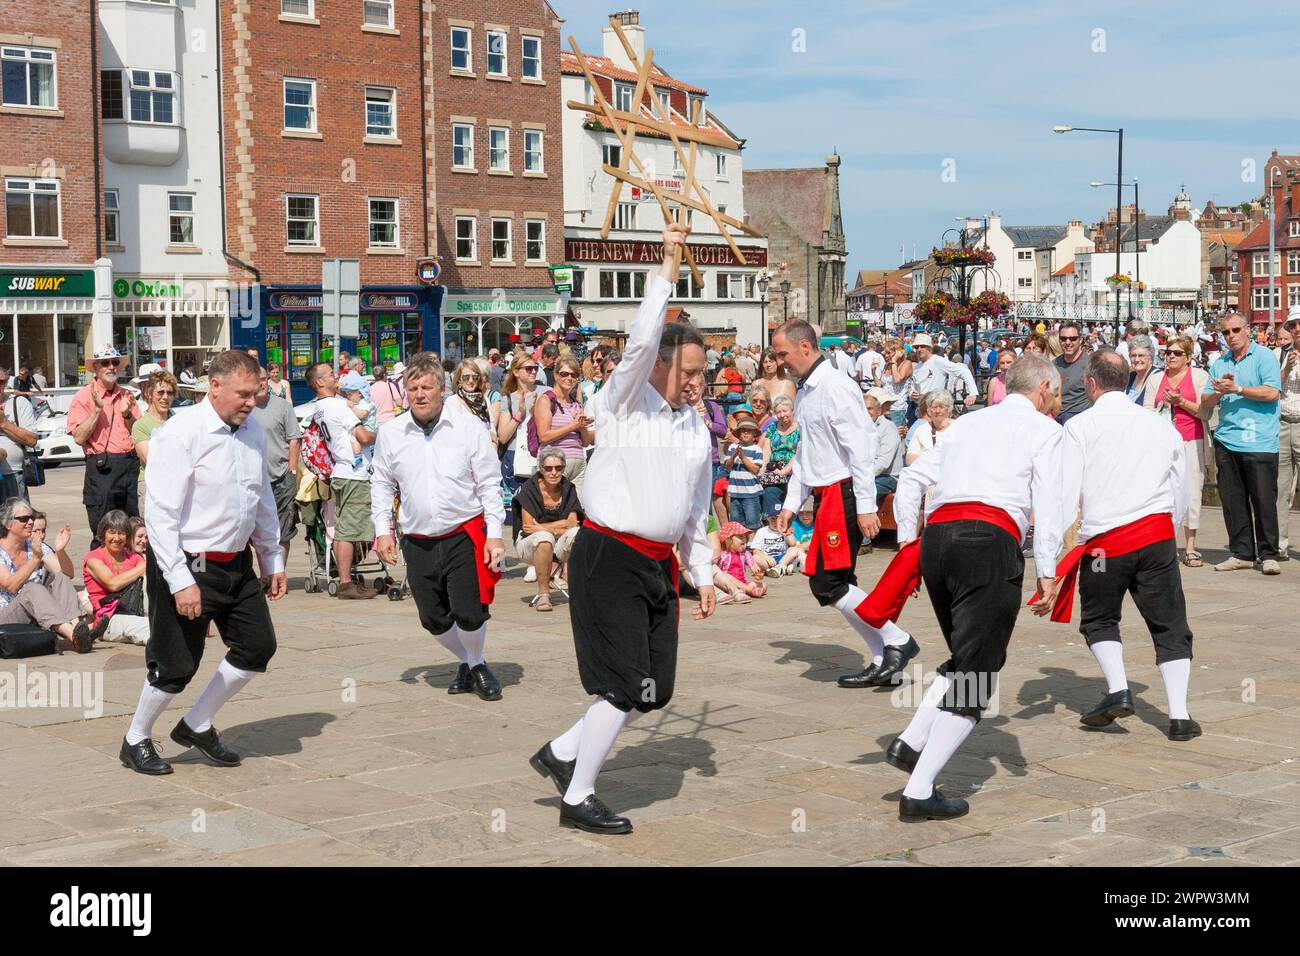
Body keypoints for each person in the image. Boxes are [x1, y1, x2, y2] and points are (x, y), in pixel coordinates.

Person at [529, 224, 715, 837]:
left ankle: (561, 753)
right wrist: (665, 266)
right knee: (623, 683)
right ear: (660, 365)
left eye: (702, 372)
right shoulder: (625, 401)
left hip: (658, 563)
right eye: (688, 370)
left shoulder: (696, 429)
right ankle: (578, 795)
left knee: (654, 689)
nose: (696, 382)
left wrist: (705, 571)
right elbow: (637, 343)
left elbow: (695, 511)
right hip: (608, 556)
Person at [881, 353, 1064, 821]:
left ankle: (911, 740)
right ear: (1042, 388)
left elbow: (911, 478)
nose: (1059, 402)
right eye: (1058, 392)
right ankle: (919, 790)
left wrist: (907, 543)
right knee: (978, 672)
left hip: (939, 540)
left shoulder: (965, 424)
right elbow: (1048, 500)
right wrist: (1048, 570)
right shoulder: (1046, 432)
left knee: (967, 656)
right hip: (988, 540)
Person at [121, 351, 286, 775]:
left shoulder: (252, 432)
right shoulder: (179, 434)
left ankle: (196, 723)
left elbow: (261, 499)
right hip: (188, 562)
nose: (251, 402)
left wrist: (272, 558)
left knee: (257, 646)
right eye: (243, 394)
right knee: (177, 663)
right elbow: (160, 514)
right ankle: (136, 737)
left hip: (236, 562)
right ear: (214, 386)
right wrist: (180, 580)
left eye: (256, 393)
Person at [1052, 349, 1198, 742]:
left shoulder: (1079, 427)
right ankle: (1180, 716)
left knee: (1100, 617)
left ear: (1092, 383)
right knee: (1170, 623)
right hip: (1155, 540)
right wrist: (1171, 525)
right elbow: (1179, 484)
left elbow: (1067, 493)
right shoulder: (1159, 425)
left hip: (1104, 547)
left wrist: (1058, 549)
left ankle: (1118, 687)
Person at [772, 319, 916, 688]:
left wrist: (867, 505)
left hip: (845, 493)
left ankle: (896, 640)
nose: (779, 361)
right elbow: (808, 454)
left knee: (828, 583)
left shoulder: (836, 387)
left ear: (805, 347)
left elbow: (861, 448)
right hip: (827, 494)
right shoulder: (805, 393)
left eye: (782, 353)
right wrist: (791, 503)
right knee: (838, 581)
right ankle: (885, 655)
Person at [371, 352, 507, 701]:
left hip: (463, 530)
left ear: (441, 389)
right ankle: (472, 661)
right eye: (413, 388)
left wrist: (495, 535)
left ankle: (476, 665)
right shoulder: (391, 433)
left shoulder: (469, 428)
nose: (419, 394)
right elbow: (382, 484)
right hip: (417, 538)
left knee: (470, 610)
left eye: (426, 387)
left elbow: (489, 483)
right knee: (432, 617)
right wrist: (382, 530)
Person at [1199, 312, 1283, 574]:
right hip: (1227, 438)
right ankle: (1242, 552)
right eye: (1225, 332)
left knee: (1263, 500)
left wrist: (1238, 389)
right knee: (1233, 501)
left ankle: (1269, 553)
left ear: (1248, 330)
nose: (1231, 336)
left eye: (1235, 330)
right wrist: (1217, 391)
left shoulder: (1264, 356)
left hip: (1259, 440)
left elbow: (1271, 392)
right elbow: (1205, 402)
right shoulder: (1220, 361)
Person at [307, 362, 376, 599]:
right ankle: (346, 583)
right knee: (348, 528)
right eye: (330, 374)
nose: (336, 376)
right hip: (353, 473)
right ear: (319, 382)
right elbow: (364, 437)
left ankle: (345, 579)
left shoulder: (320, 408)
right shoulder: (339, 407)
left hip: (340, 470)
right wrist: (384, 433)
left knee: (341, 527)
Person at [0, 498, 101, 651]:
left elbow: (68, 573)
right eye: (23, 519)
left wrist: (60, 551)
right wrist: (35, 558)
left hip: (36, 613)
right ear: (7, 523)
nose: (30, 522)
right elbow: (11, 586)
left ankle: (78, 629)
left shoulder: (33, 545)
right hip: (6, 617)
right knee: (32, 589)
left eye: (31, 518)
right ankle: (74, 635)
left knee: (59, 578)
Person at [1145, 334, 1210, 566]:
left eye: (1177, 353)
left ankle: (1191, 546)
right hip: (1162, 444)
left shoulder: (1199, 377)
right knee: (1163, 493)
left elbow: (1205, 412)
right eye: (1167, 352)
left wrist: (1181, 401)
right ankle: (1166, 545)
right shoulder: (1156, 378)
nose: (1171, 356)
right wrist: (1164, 403)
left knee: (1193, 490)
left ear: (1189, 357)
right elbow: (1147, 413)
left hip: (1191, 439)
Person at [68, 346, 140, 540]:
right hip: (102, 468)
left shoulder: (126, 394)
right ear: (95, 368)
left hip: (128, 465)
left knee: (131, 528)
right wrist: (97, 410)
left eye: (115, 362)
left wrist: (126, 413)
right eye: (105, 363)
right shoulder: (84, 396)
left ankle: (131, 569)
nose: (111, 367)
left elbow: (138, 432)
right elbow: (79, 437)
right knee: (104, 531)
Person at [515, 447, 583, 612]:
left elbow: (574, 523)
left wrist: (546, 528)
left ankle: (579, 590)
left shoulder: (568, 487)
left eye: (558, 468)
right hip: (529, 545)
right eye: (548, 468)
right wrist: (561, 526)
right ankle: (544, 595)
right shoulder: (529, 488)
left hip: (559, 543)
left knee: (577, 534)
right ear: (541, 469)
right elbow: (529, 527)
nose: (553, 472)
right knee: (543, 538)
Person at [249, 366, 302, 568]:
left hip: (281, 477)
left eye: (264, 379)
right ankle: (265, 574)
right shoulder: (244, 408)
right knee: (255, 532)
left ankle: (278, 573)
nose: (261, 383)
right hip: (254, 480)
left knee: (283, 530)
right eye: (258, 379)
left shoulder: (282, 406)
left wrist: (292, 470)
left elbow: (294, 439)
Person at [83, 510, 150, 646]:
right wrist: (142, 568)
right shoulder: (93, 558)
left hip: (137, 611)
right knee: (152, 628)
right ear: (103, 534)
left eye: (122, 533)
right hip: (107, 619)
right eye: (112, 532)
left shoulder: (134, 557)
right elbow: (112, 584)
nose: (117, 538)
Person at [532, 355, 593, 493]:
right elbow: (544, 436)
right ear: (556, 375)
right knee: (555, 510)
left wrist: (582, 426)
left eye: (574, 374)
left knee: (578, 511)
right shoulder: (546, 400)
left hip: (577, 465)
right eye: (564, 374)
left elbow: (585, 443)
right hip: (554, 465)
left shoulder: (576, 403)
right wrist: (573, 426)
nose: (569, 378)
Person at [130, 369, 177, 515]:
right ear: (150, 394)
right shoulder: (141, 425)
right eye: (160, 392)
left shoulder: (177, 420)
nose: (165, 397)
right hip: (151, 485)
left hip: (177, 484)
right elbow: (150, 459)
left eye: (170, 393)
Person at [1276, 311, 1300, 559]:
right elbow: (1273, 387)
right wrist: (1285, 370)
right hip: (1283, 422)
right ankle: (1279, 545)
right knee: (1280, 488)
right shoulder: (1281, 353)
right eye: (1292, 325)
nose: (1297, 328)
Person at [909, 333, 977, 409]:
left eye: (922, 346)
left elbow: (964, 371)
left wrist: (972, 393)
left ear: (929, 348)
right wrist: (912, 393)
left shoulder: (938, 361)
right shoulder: (917, 366)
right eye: (916, 347)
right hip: (919, 408)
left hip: (936, 408)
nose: (919, 349)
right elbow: (913, 387)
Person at [0, 368, 38, 502]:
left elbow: (32, 440)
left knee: (18, 520)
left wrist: (4, 423)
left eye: (2, 381)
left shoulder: (18, 403)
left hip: (13, 477)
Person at [758, 395, 799, 518]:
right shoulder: (772, 427)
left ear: (792, 410)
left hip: (794, 470)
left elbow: (798, 452)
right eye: (778, 412)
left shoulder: (800, 428)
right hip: (774, 469)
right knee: (770, 494)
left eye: (784, 411)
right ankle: (770, 523)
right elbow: (767, 450)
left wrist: (784, 471)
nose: (782, 415)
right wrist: (762, 470)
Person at [723, 415, 767, 530]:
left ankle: (751, 544)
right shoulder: (733, 447)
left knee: (752, 521)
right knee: (736, 522)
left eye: (749, 431)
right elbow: (727, 467)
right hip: (735, 491)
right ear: (738, 434)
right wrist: (733, 456)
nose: (746, 433)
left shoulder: (757, 449)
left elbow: (755, 469)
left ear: (754, 435)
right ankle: (740, 545)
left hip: (751, 492)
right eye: (743, 431)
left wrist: (743, 457)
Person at [865, 388, 903, 496]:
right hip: (870, 474)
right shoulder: (860, 427)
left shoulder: (888, 427)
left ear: (878, 409)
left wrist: (862, 476)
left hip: (888, 477)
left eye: (869, 408)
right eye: (886, 404)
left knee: (863, 491)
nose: (889, 407)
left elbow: (883, 463)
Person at [1052, 321, 1091, 425]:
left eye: (1073, 338)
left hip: (1079, 418)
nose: (1068, 342)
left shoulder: (1090, 364)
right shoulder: (1054, 364)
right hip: (1056, 419)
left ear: (1080, 339)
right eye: (1063, 339)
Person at [1125, 335, 1157, 404]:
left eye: (1141, 355)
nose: (1136, 359)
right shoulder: (1130, 377)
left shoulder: (1157, 378)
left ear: (1150, 357)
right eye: (1133, 355)